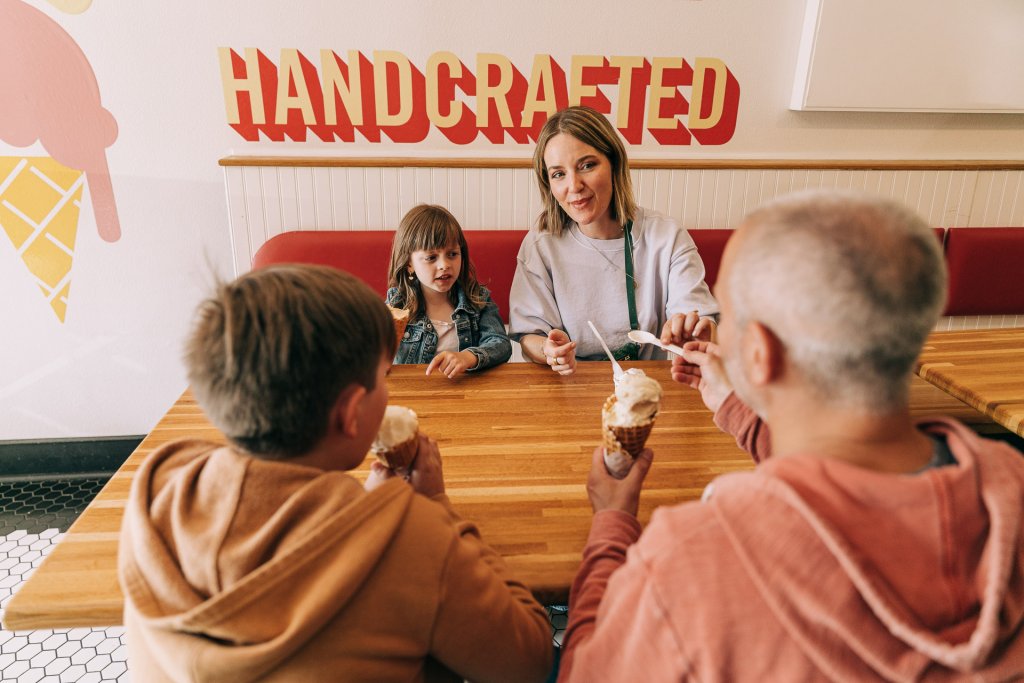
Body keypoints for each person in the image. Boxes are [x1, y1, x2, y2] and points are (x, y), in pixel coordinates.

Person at [559, 191, 1024, 681]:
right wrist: (737, 410)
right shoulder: (1011, 481)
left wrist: (611, 522)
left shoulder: (692, 560)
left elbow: (585, 672)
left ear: (759, 353)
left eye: (730, 318)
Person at [118, 265, 552, 682]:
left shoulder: (158, 490)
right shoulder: (415, 538)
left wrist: (361, 507)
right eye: (384, 377)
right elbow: (529, 662)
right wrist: (438, 510)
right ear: (349, 413)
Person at [509, 105, 718, 376]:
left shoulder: (666, 236)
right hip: (570, 386)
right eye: (559, 174)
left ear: (614, 164)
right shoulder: (541, 243)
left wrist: (695, 330)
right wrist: (548, 351)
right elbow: (529, 337)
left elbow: (702, 321)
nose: (574, 186)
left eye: (587, 165)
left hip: (647, 384)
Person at [387, 204, 512, 379]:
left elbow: (501, 344)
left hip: (466, 395)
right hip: (415, 395)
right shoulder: (397, 304)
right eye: (431, 257)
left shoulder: (477, 299)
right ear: (409, 264)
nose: (444, 265)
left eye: (452, 254)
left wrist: (469, 357)